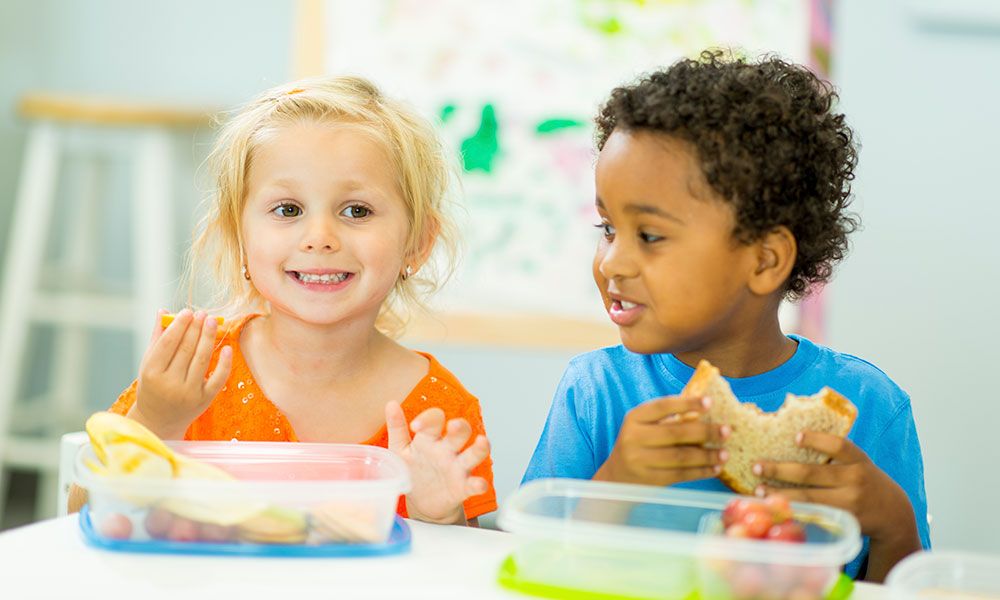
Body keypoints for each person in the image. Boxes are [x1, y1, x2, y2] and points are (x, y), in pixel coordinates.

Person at [522, 50, 928, 580]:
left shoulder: (871, 406)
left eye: (649, 235)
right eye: (607, 229)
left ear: (763, 259)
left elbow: (908, 588)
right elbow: (529, 566)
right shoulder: (595, 391)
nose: (612, 261)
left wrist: (893, 525)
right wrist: (615, 482)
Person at [72, 76, 496, 525]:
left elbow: (454, 573)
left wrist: (438, 516)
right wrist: (155, 420)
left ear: (417, 243)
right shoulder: (196, 370)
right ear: (239, 236)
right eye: (288, 210)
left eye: (356, 210)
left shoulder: (440, 408)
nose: (319, 238)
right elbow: (81, 511)